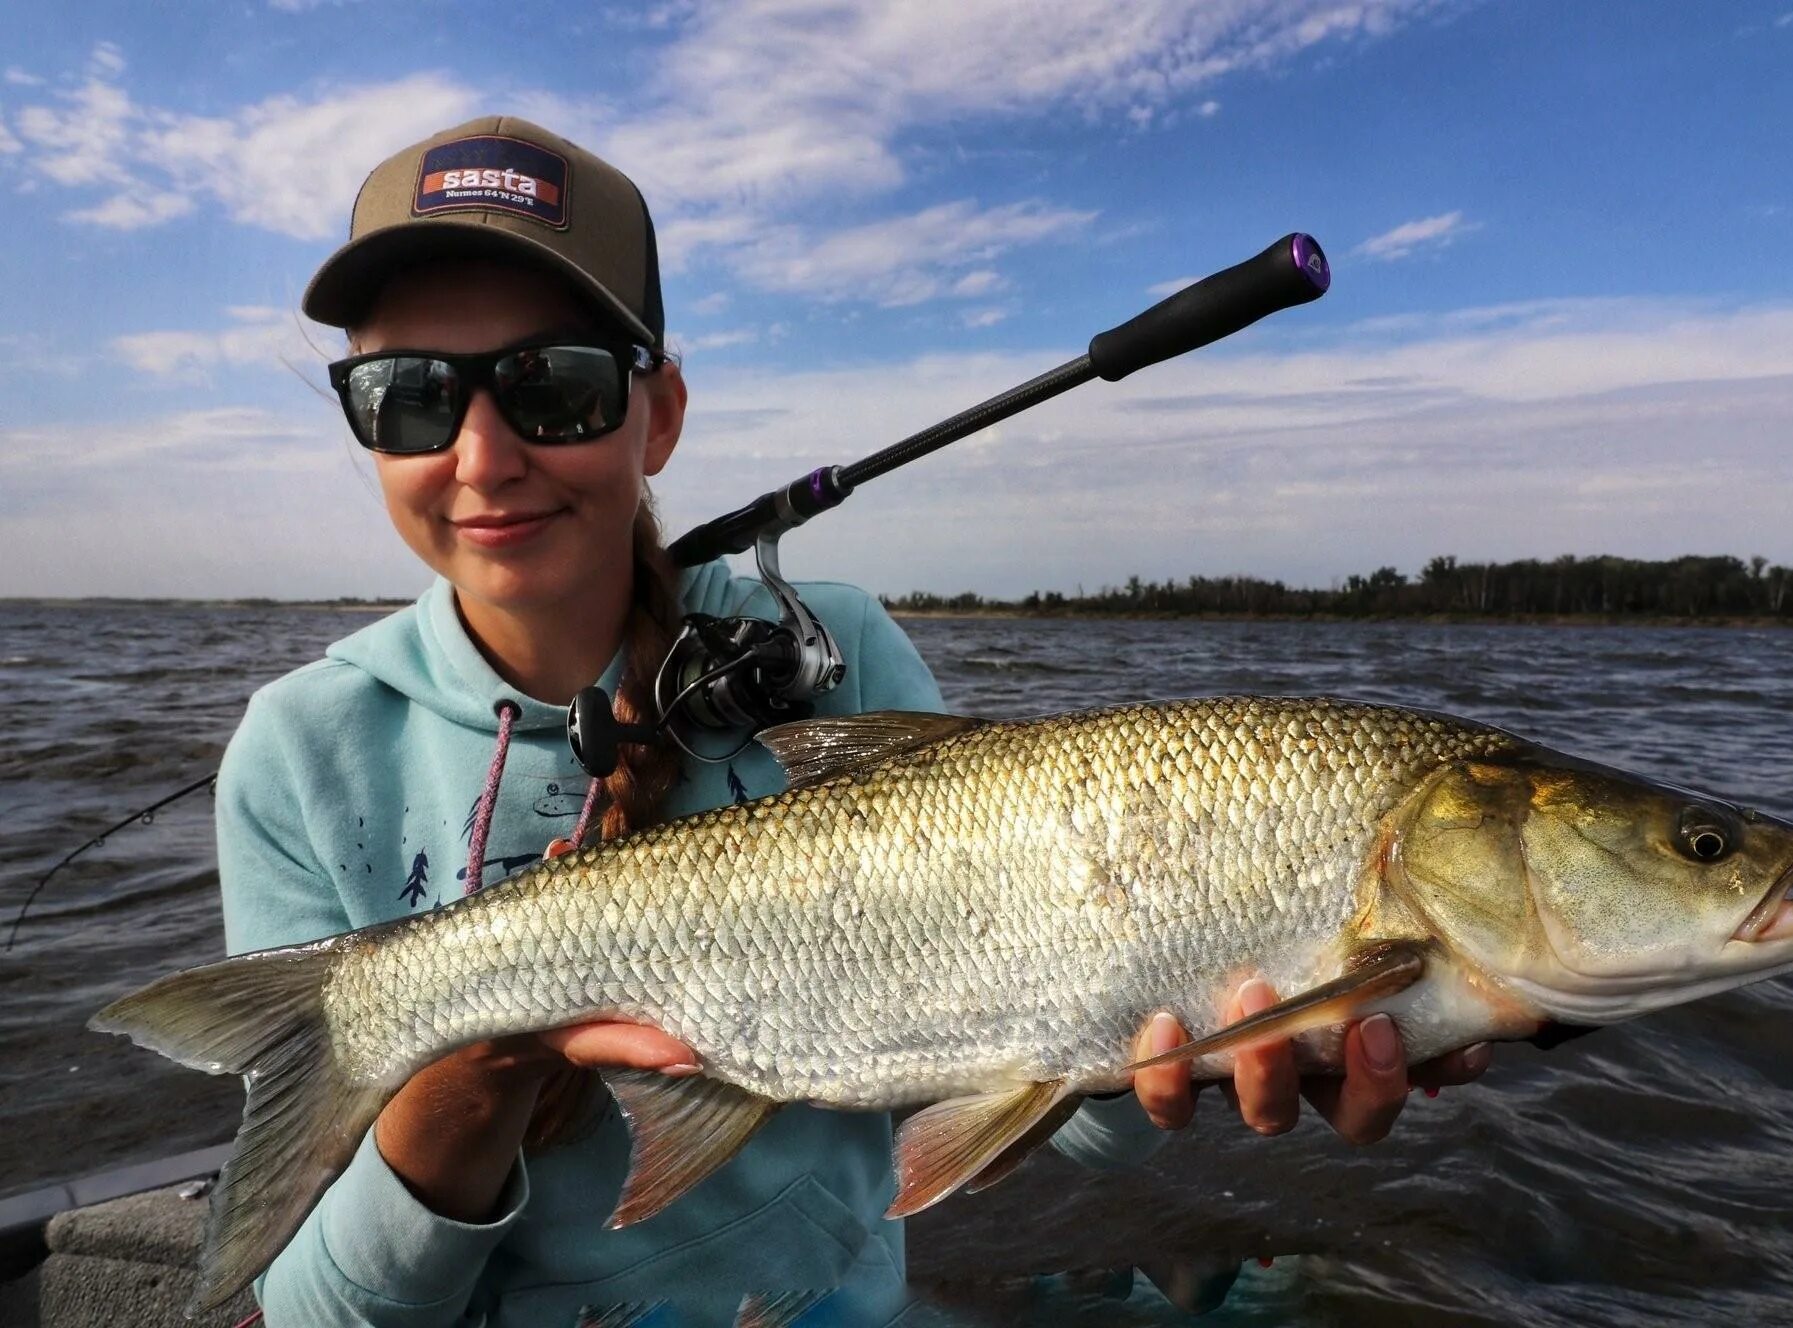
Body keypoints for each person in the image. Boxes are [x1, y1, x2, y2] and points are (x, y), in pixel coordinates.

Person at [217, 116, 1489, 1326]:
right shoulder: (297, 752)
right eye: (410, 396)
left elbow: (1014, 1057)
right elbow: (318, 1308)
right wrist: (476, 1072)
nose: (484, 455)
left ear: (657, 413)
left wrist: (1216, 1036)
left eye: (552, 386)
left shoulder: (839, 650)